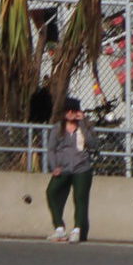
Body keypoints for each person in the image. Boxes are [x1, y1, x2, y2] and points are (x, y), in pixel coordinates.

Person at [43, 101, 97, 243]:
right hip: (63, 169)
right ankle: (59, 229)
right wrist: (54, 166)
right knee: (51, 192)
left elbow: (93, 144)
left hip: (82, 168)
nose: (71, 114)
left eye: (74, 111)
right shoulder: (57, 128)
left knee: (80, 199)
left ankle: (77, 230)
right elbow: (51, 149)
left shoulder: (84, 127)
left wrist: (84, 124)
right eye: (68, 111)